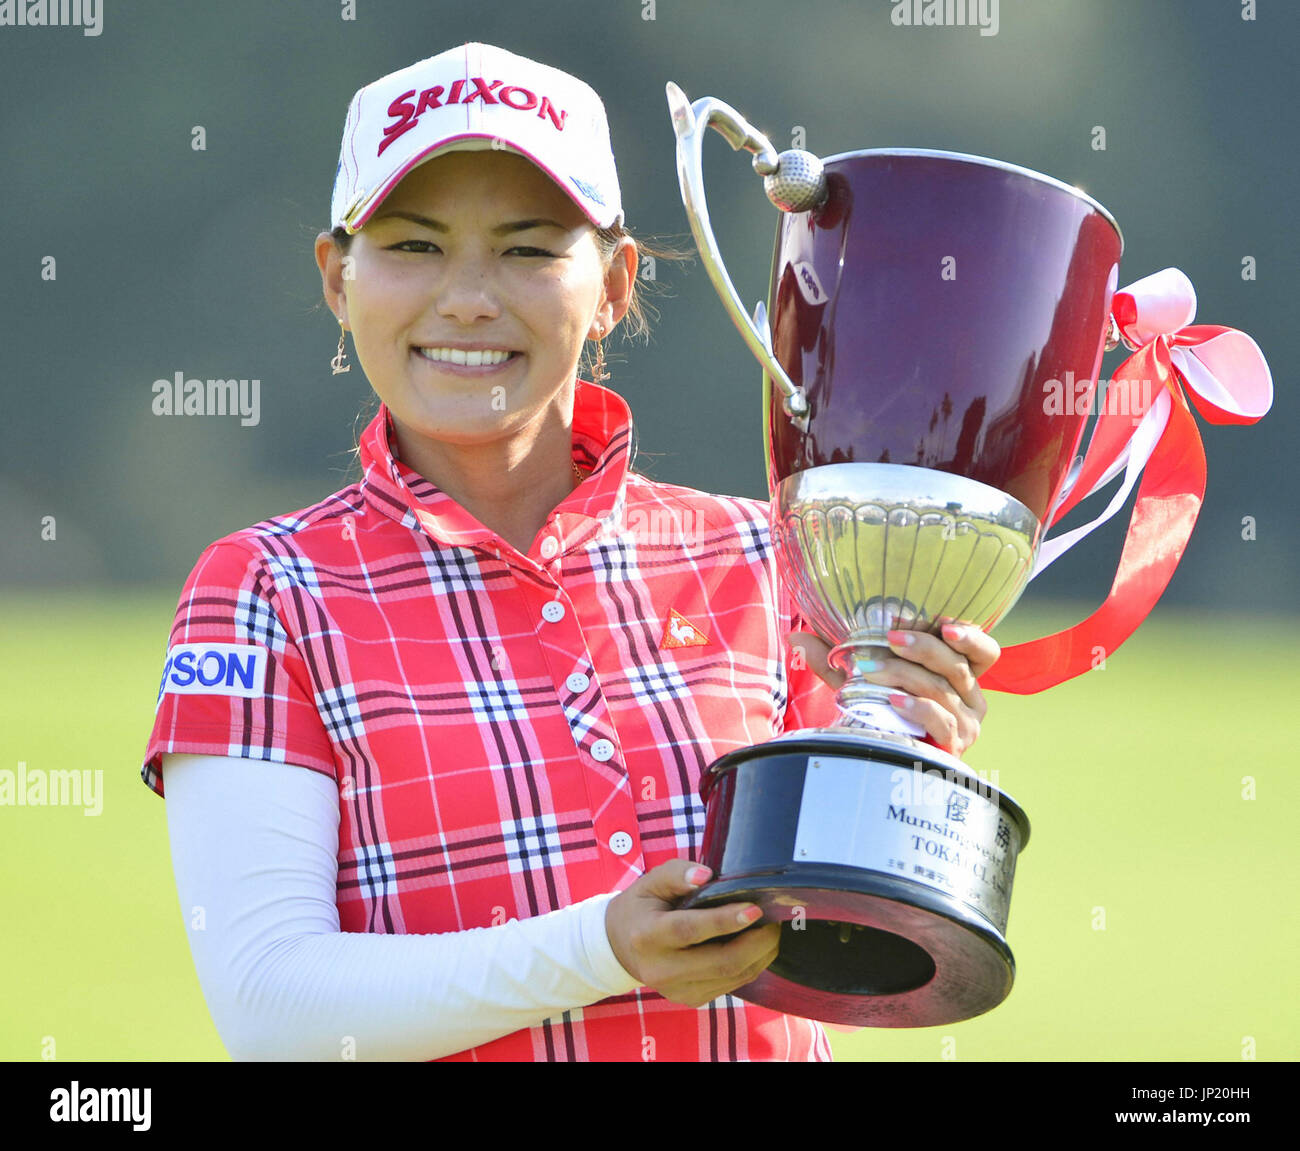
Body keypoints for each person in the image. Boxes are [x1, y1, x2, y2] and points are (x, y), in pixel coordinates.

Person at [142, 42, 1000, 1062]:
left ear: (615, 283)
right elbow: (272, 1009)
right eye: (413, 246)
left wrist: (905, 748)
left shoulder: (764, 555)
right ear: (338, 277)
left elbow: (844, 941)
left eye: (527, 247)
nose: (467, 297)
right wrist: (602, 947)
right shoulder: (262, 591)